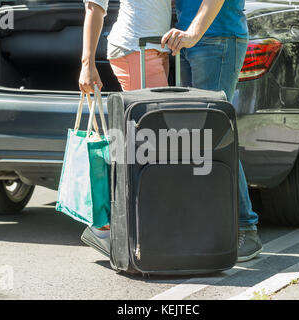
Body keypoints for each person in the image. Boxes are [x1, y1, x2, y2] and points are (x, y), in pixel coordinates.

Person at [161, 0, 263, 262]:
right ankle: (210, 227)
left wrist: (193, 33)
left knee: (215, 136)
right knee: (197, 139)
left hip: (215, 38)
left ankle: (246, 227)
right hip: (190, 40)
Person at [79, 0, 172, 254]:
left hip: (155, 48)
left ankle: (137, 229)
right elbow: (94, 7)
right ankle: (107, 228)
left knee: (148, 146)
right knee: (148, 147)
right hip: (136, 49)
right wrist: (87, 65)